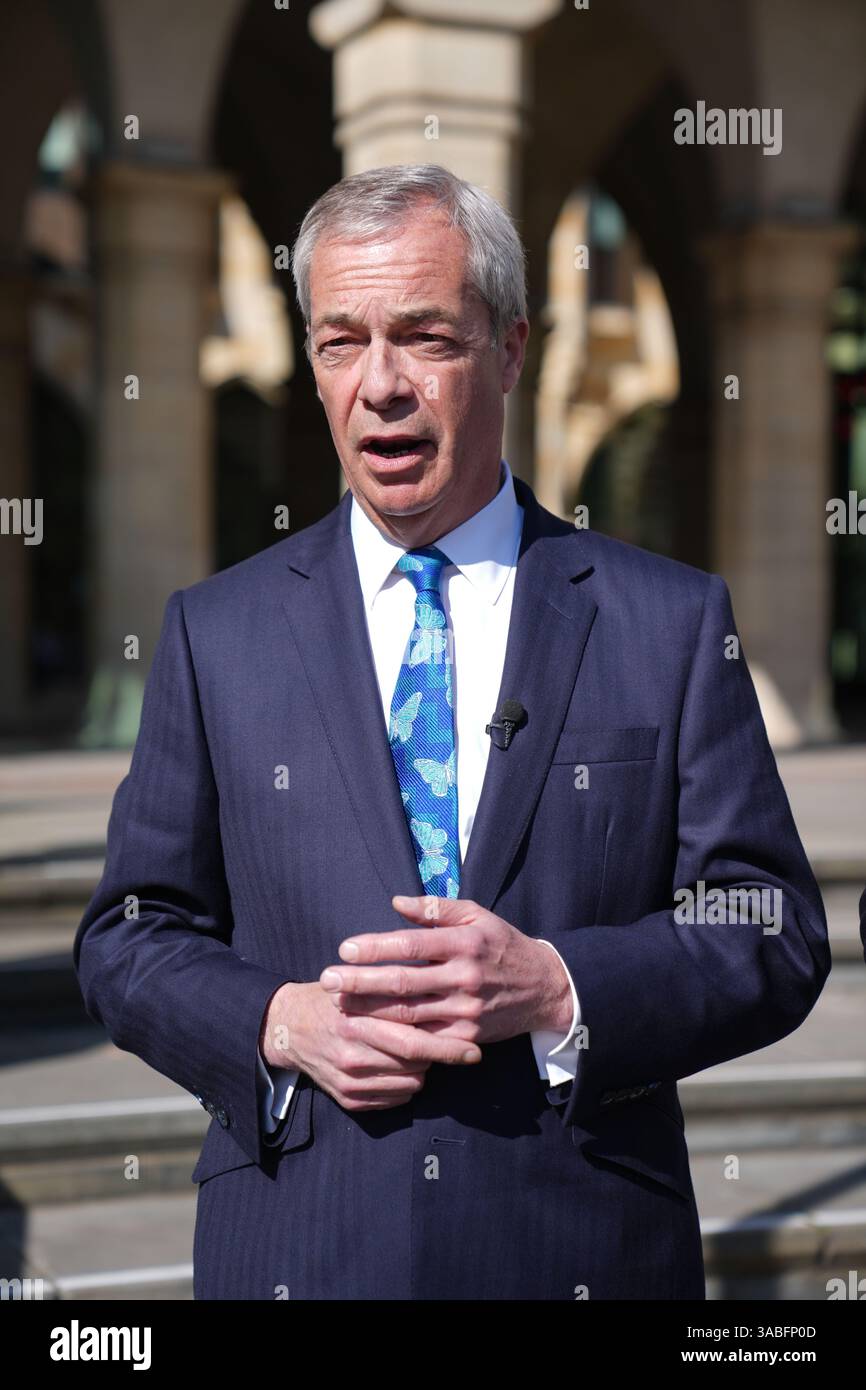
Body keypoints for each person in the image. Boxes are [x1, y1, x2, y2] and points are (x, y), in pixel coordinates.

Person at [74, 163, 830, 1300]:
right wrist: (277, 1023)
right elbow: (129, 936)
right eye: (340, 341)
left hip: (580, 1248)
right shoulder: (212, 634)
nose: (378, 384)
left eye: (424, 336)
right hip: (302, 1246)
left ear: (511, 349)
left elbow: (768, 928)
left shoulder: (668, 623)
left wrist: (558, 982)